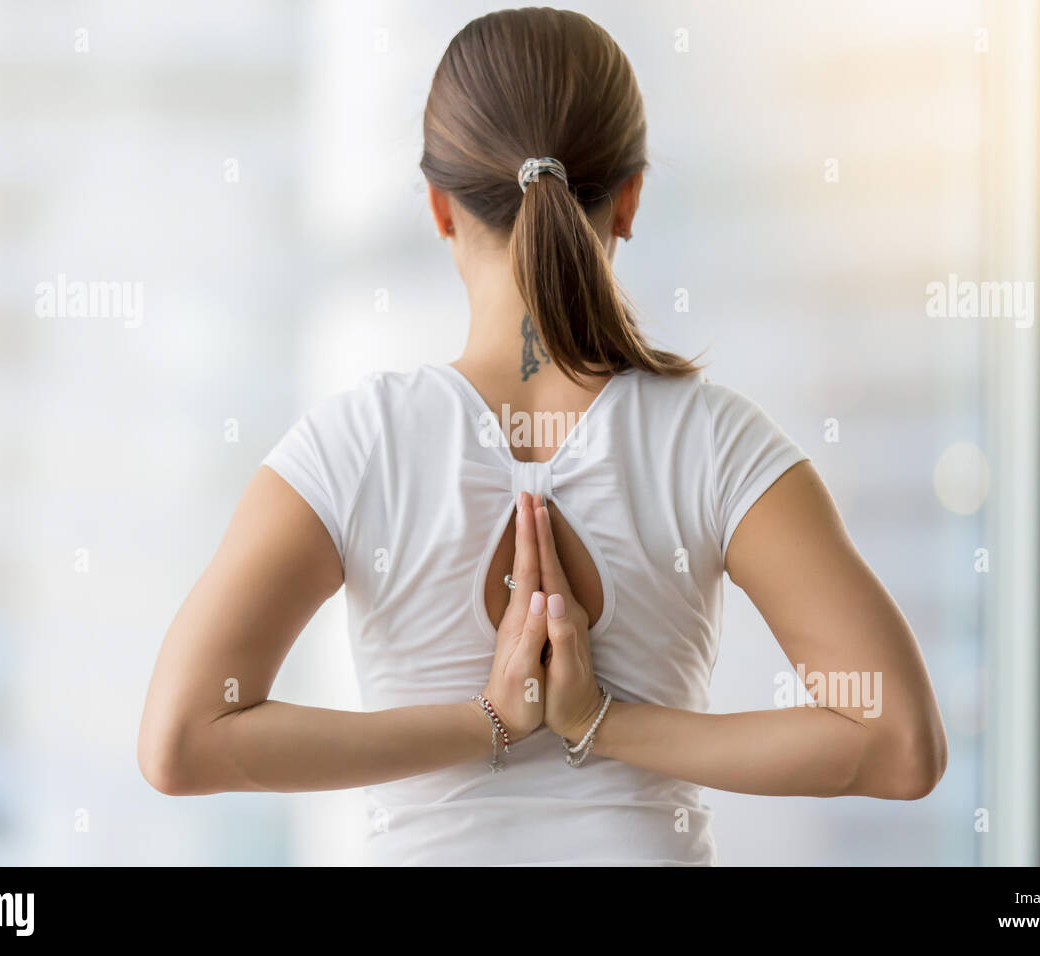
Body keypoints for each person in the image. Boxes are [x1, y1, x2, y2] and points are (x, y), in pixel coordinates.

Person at [137, 7, 947, 866]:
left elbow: (182, 741)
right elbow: (898, 745)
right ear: (629, 199)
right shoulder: (715, 444)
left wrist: (486, 720)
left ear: (439, 208)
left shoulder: (355, 444)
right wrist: (603, 723)